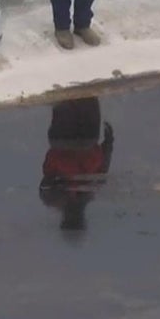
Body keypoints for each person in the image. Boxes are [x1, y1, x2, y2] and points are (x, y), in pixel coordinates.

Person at [39, 96, 114, 231]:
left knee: (85, 98)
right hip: (64, 142)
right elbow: (45, 182)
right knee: (67, 100)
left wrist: (108, 142)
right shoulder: (54, 198)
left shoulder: (89, 192)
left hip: (85, 140)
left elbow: (103, 167)